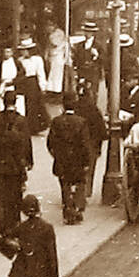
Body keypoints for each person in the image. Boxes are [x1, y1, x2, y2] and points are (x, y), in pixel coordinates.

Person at [0, 90, 32, 240]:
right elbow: (26, 144)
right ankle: (12, 228)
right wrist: (28, 161)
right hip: (15, 167)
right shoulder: (21, 121)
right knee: (14, 199)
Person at [46, 93, 91, 224]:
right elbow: (85, 143)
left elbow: (50, 142)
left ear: (63, 106)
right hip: (77, 160)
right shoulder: (81, 122)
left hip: (62, 160)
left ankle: (68, 210)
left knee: (65, 185)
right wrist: (87, 161)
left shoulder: (56, 121)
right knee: (79, 183)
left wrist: (56, 155)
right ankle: (77, 208)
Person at [75, 79, 107, 198]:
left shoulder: (75, 108)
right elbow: (101, 129)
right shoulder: (93, 109)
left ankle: (77, 190)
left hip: (76, 144)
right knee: (90, 167)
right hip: (92, 143)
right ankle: (87, 190)